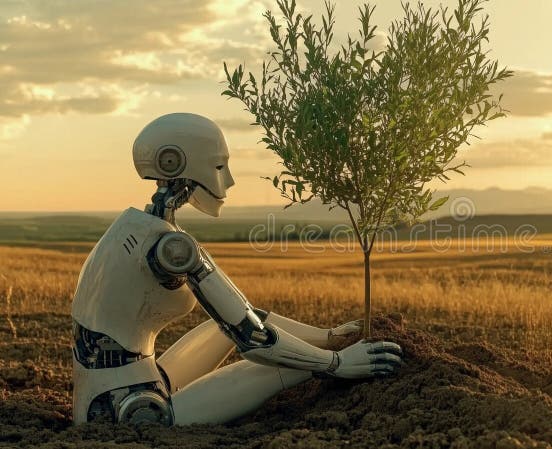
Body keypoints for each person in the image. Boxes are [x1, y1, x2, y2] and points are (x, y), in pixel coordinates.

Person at [71, 113, 402, 425]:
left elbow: (244, 314)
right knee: (281, 366)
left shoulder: (146, 229)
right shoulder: (169, 249)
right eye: (218, 166)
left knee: (222, 329)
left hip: (128, 385)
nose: (227, 181)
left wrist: (329, 338)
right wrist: (337, 363)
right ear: (175, 163)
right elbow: (254, 338)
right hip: (133, 409)